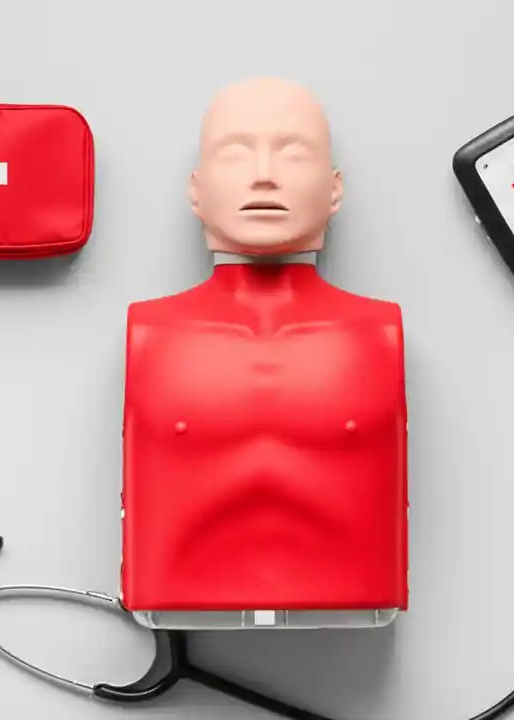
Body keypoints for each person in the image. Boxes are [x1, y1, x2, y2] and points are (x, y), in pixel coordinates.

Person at [120, 77, 409, 630]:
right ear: (196, 191)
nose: (264, 173)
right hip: (176, 597)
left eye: (294, 153)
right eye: (235, 154)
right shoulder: (148, 332)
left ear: (335, 190)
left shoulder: (379, 332)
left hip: (355, 599)